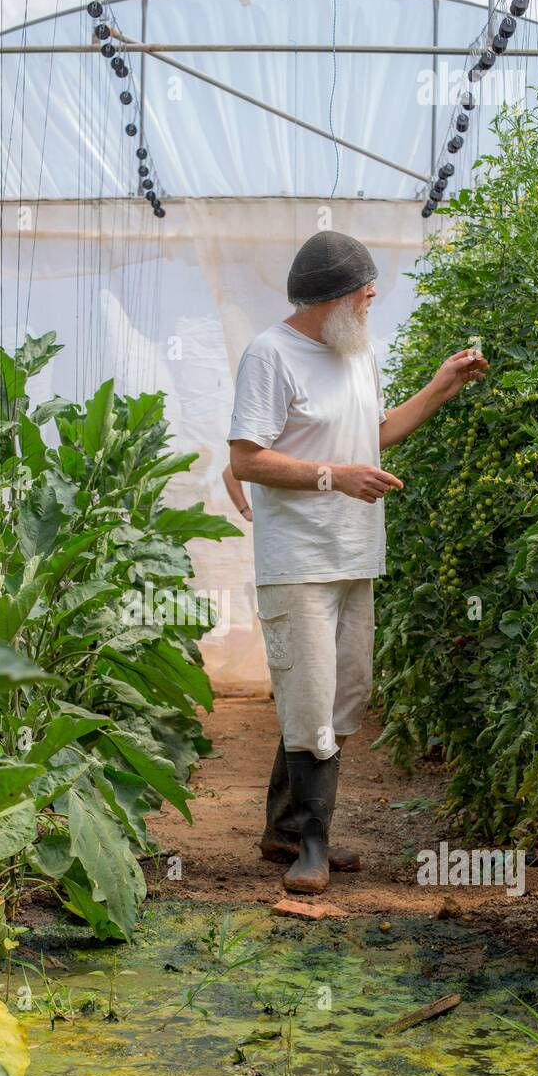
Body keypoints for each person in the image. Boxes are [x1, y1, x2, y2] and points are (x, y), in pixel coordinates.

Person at [228, 229, 488, 893]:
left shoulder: (355, 352)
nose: (374, 298)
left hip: (355, 552)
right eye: (364, 290)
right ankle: (312, 846)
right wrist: (332, 478)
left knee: (343, 692)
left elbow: (370, 438)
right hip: (300, 558)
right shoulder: (271, 355)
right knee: (313, 697)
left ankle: (283, 830)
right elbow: (246, 459)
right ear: (330, 297)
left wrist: (440, 387)